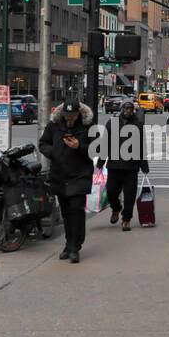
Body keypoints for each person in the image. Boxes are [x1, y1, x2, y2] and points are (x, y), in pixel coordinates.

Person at [38, 97, 93, 263]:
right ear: (63, 113)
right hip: (60, 175)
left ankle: (76, 247)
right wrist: (54, 151)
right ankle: (68, 244)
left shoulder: (87, 126)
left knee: (76, 210)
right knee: (66, 212)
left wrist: (79, 147)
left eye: (73, 116)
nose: (70, 119)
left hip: (80, 175)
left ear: (78, 114)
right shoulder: (54, 125)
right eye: (67, 116)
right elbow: (43, 144)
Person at [95, 100, 149, 231]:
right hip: (114, 166)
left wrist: (144, 165)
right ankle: (116, 208)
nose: (128, 110)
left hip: (131, 167)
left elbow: (142, 146)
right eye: (126, 108)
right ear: (121, 109)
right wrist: (101, 162)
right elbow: (105, 143)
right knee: (111, 192)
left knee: (130, 195)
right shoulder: (112, 123)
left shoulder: (138, 124)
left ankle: (126, 219)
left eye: (130, 108)